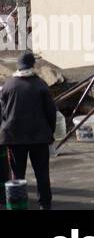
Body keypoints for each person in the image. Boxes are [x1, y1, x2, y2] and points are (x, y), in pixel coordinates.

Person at [0, 50, 56, 209]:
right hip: (39, 138)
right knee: (42, 174)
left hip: (14, 137)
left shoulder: (8, 85)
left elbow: (3, 113)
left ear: (18, 66)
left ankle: (18, 205)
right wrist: (49, 133)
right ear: (33, 65)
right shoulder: (41, 85)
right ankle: (45, 205)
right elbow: (51, 113)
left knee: (18, 175)